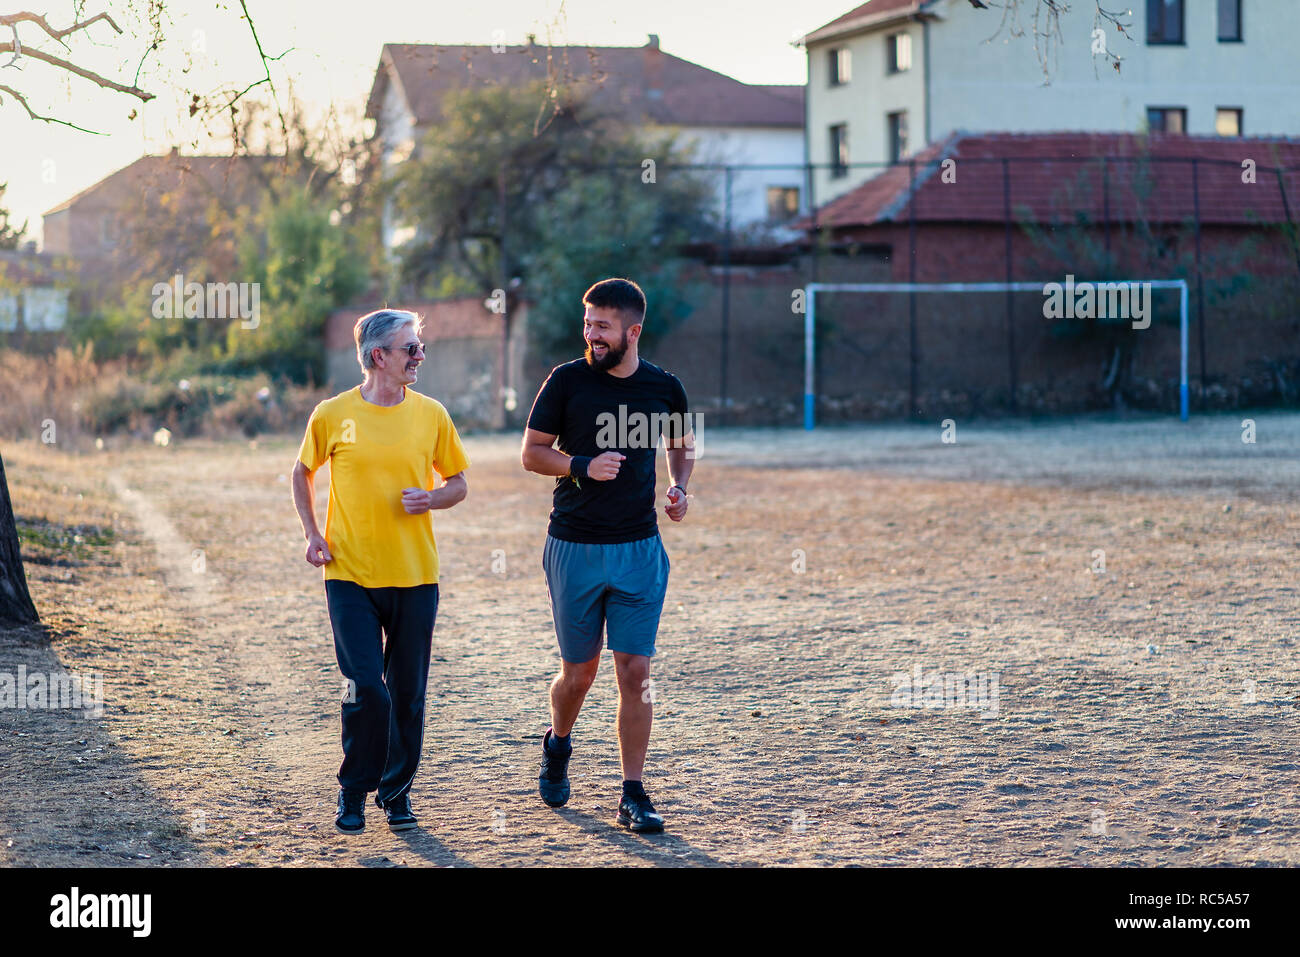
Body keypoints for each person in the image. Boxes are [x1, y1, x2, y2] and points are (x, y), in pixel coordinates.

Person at [521, 277, 694, 833]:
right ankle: (558, 742)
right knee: (579, 673)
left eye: (602, 326)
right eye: (587, 323)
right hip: (573, 547)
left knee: (635, 669)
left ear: (632, 331)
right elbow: (531, 453)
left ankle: (633, 793)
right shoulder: (567, 382)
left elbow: (682, 446)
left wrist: (678, 487)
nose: (590, 335)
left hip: (639, 548)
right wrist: (580, 465)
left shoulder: (664, 388)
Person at [291, 309, 470, 834]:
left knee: (408, 691)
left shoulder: (432, 414)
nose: (419, 356)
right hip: (349, 574)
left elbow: (458, 483)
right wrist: (312, 534)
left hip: (415, 577)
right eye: (409, 348)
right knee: (366, 687)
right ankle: (352, 791)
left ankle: (396, 793)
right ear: (379, 357)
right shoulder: (332, 414)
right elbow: (301, 472)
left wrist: (432, 498)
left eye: (419, 347)